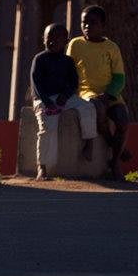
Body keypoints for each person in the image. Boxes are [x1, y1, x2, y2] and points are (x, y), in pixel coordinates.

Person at [66, 5, 131, 180]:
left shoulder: (112, 48)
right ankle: (116, 151)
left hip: (110, 94)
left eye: (93, 23)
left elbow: (119, 78)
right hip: (86, 93)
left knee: (123, 121)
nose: (87, 26)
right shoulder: (75, 44)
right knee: (98, 109)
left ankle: (114, 160)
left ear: (103, 25)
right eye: (84, 23)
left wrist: (108, 95)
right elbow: (68, 71)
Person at [30, 23, 97, 180]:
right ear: (43, 40)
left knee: (88, 108)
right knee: (47, 128)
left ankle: (89, 142)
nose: (52, 42)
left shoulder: (67, 61)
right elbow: (36, 83)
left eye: (57, 39)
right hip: (44, 99)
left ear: (66, 41)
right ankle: (43, 167)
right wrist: (48, 102)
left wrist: (65, 96)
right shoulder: (39, 59)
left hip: (65, 98)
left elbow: (74, 82)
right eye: (49, 38)